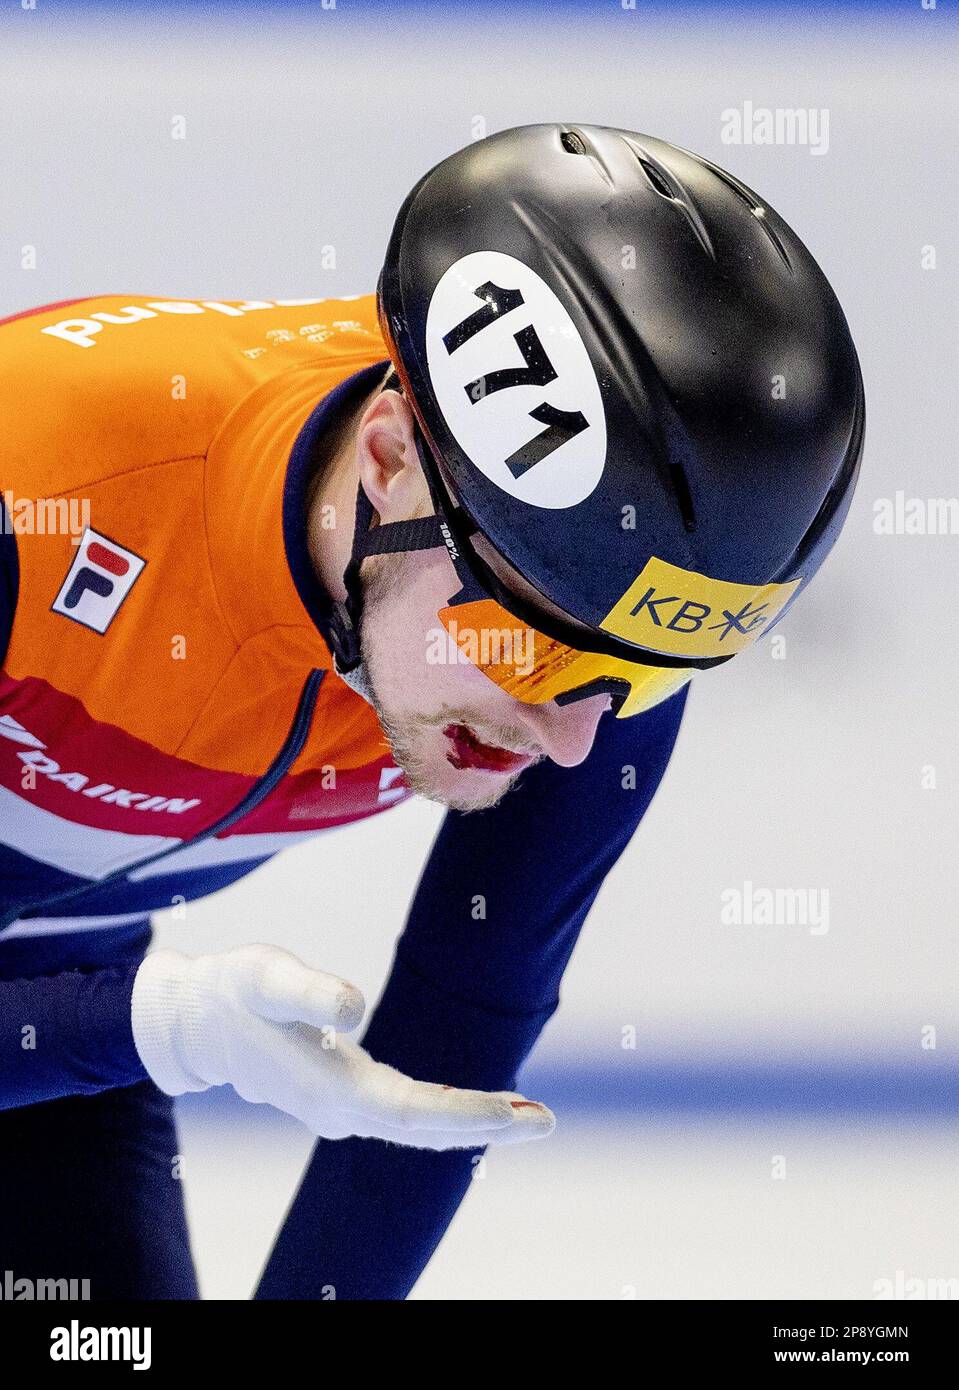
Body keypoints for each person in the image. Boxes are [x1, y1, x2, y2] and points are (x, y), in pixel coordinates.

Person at [0, 123, 864, 1299]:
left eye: (651, 677)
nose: (572, 737)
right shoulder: (40, 477)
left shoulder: (597, 612)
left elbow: (456, 1038)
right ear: (390, 462)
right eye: (537, 649)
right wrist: (152, 1024)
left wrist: (128, 1023)